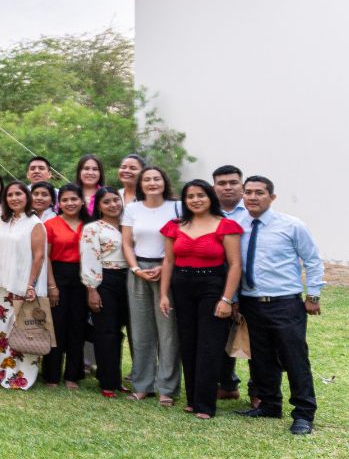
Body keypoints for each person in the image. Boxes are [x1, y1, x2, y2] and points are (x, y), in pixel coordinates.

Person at [235, 176, 323, 434]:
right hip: (251, 302)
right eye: (248, 192)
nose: (252, 197)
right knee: (261, 358)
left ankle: (304, 413)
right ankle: (270, 404)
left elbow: (313, 260)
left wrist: (313, 296)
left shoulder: (292, 226)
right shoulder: (237, 226)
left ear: (272, 197)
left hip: (285, 303)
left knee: (294, 358)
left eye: (259, 192)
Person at [158, 180, 243, 419]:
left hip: (212, 286)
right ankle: (193, 398)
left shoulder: (226, 226)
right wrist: (164, 294)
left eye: (201, 195)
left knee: (209, 344)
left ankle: (205, 405)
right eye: (190, 196)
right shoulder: (175, 226)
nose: (196, 200)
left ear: (210, 198)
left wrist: (226, 299)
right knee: (188, 342)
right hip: (182, 286)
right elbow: (169, 262)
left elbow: (235, 264)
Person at [121, 166, 181, 406]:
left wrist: (164, 267)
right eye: (147, 179)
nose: (152, 183)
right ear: (140, 184)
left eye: (157, 178)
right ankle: (143, 384)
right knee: (141, 330)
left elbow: (181, 239)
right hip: (138, 272)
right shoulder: (132, 209)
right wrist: (136, 269)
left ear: (164, 182)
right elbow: (126, 243)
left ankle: (167, 387)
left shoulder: (176, 207)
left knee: (168, 332)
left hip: (168, 268)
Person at [0, 181, 47, 390]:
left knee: (21, 328)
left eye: (18, 194)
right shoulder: (2, 221)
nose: (14, 198)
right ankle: (2, 370)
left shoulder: (34, 222)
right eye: (10, 195)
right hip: (3, 284)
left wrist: (31, 285)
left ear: (26, 196)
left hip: (22, 284)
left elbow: (39, 256)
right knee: (3, 330)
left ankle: (20, 375)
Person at [80, 186, 129, 398]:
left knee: (118, 333)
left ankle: (116, 378)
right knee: (105, 331)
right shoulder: (93, 228)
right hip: (104, 280)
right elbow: (90, 259)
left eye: (115, 200)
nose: (113, 205)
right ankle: (107, 382)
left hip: (129, 280)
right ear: (99, 206)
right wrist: (92, 289)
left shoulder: (128, 225)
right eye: (106, 202)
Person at [42, 183, 87, 389]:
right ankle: (51, 375)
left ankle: (73, 375)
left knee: (78, 326)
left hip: (83, 277)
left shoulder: (90, 225)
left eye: (74, 199)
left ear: (82, 201)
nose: (70, 203)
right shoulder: (51, 224)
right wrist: (52, 285)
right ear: (59, 203)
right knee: (56, 326)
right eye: (66, 200)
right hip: (58, 276)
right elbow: (46, 258)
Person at [212, 164, 249, 402]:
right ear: (214, 187)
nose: (227, 188)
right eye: (221, 183)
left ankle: (259, 391)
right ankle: (226, 384)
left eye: (232, 183)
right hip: (216, 283)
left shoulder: (252, 212)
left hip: (250, 285)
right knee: (220, 335)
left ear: (242, 186)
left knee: (254, 339)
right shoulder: (208, 213)